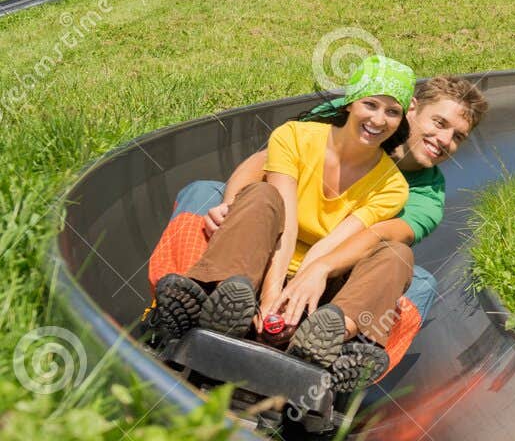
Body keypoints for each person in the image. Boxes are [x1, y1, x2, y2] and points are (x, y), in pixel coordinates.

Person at [147, 74, 489, 385]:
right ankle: (189, 300)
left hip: (333, 276)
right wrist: (231, 203)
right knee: (206, 193)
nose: (444, 140)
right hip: (269, 240)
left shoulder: (425, 197)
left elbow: (377, 236)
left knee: (417, 279)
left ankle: (342, 351)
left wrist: (315, 273)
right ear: (411, 108)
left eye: (458, 137)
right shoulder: (347, 118)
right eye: (439, 123)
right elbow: (265, 163)